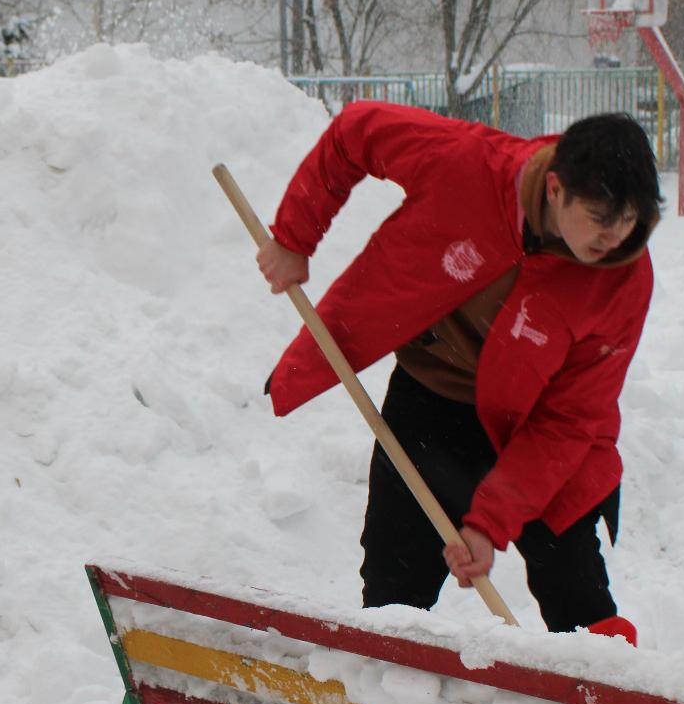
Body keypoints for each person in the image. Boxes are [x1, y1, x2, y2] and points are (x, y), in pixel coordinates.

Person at [257, 103, 661, 640]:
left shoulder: (624, 280)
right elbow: (355, 131)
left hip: (540, 426)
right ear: (556, 189)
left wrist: (490, 523)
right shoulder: (468, 164)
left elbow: (571, 418)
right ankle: (393, 693)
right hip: (433, 396)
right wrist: (293, 238)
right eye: (600, 218)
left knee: (580, 601)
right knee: (393, 589)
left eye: (629, 221)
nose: (614, 239)